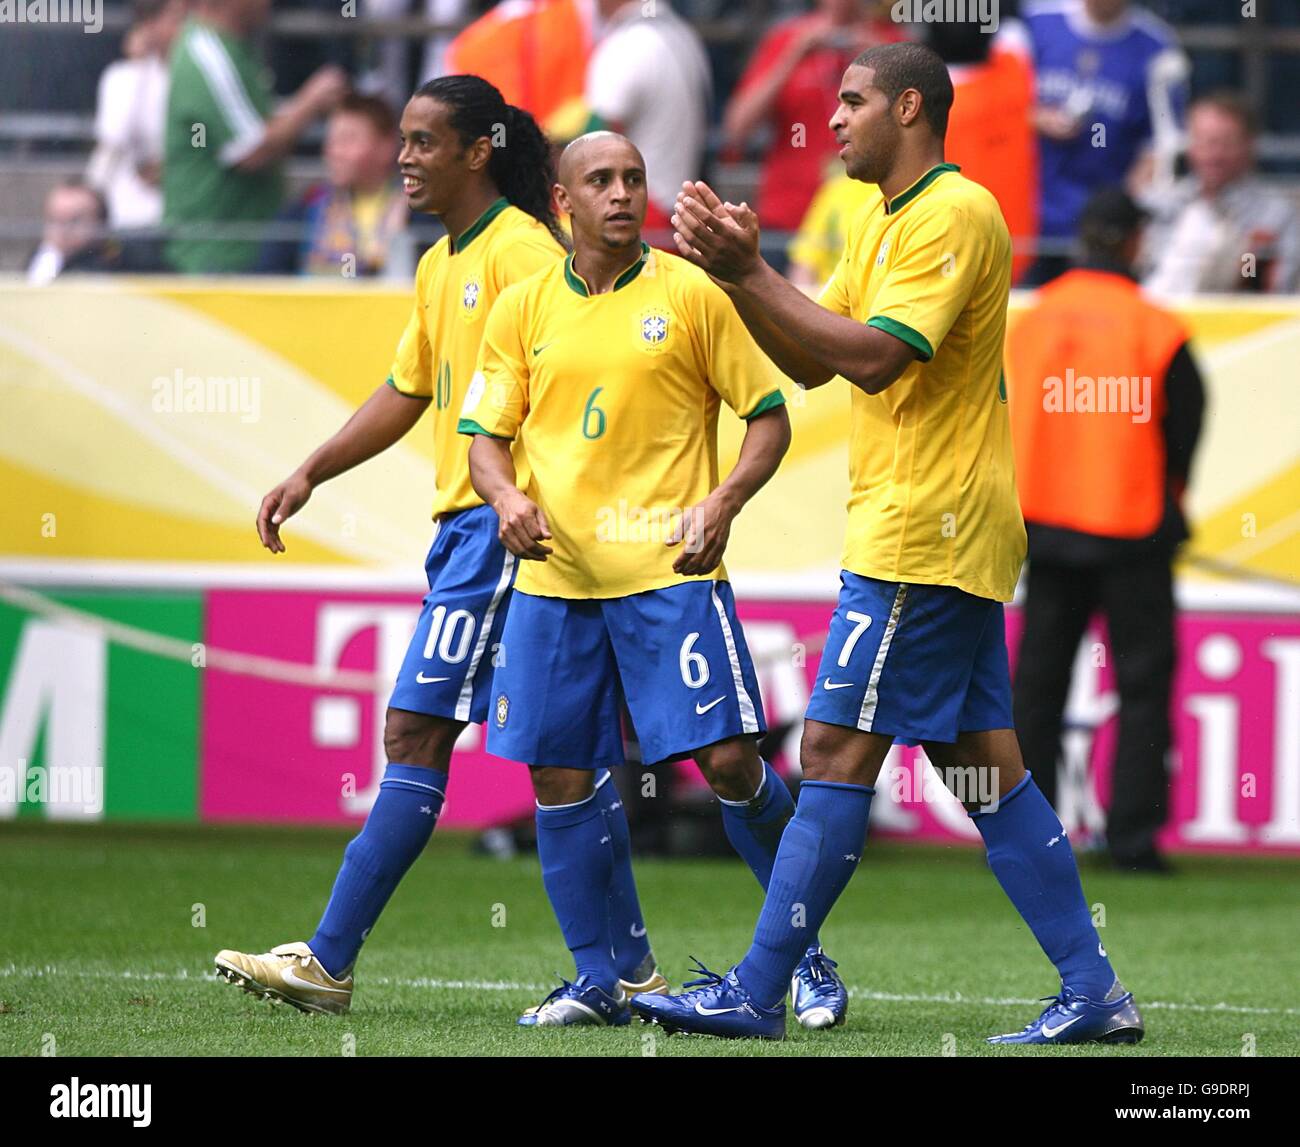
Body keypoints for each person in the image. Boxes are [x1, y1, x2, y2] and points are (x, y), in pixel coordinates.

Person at [635, 41, 1143, 1045]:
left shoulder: (956, 213)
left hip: (925, 533)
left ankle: (758, 987)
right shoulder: (880, 219)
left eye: (852, 101)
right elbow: (813, 359)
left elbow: (871, 360)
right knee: (983, 772)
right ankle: (1094, 991)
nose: (830, 120)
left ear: (909, 106)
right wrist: (739, 276)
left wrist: (750, 269)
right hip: (928, 531)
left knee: (829, 748)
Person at [213, 76, 622, 1017]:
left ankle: (328, 959)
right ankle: (620, 972)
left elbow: (570, 386)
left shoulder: (526, 252)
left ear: (479, 150)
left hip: (503, 531)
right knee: (562, 754)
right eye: (400, 140)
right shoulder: (445, 263)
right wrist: (312, 469)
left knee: (418, 733)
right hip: (467, 532)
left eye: (423, 141)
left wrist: (526, 503)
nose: (403, 158)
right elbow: (407, 390)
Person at [460, 132, 848, 1031]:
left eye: (633, 178)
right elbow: (483, 438)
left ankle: (806, 954)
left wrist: (723, 502)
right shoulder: (522, 307)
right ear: (563, 203)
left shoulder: (692, 294)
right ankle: (601, 979)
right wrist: (507, 493)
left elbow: (768, 419)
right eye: (600, 181)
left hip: (670, 579)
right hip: (556, 581)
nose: (622, 194)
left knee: (729, 762)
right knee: (559, 777)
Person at [1009, 187, 1206, 873]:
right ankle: (1131, 837)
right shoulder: (1156, 328)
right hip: (1133, 531)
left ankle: (1025, 836)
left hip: (1049, 529)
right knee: (1144, 686)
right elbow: (1184, 429)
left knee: (1037, 682)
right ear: (1131, 242)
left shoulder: (1033, 320)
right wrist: (1169, 498)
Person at [162, 0, 348, 274]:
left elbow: (255, 126)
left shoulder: (233, 46)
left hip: (242, 252)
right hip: (216, 258)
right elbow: (251, 150)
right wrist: (311, 101)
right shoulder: (207, 51)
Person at [1022, 0, 1187, 285]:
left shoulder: (1156, 46)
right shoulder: (1035, 24)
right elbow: (996, 100)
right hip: (1028, 216)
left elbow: (1160, 142)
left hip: (1100, 231)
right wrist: (1036, 117)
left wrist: (1123, 208)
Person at [723, 0, 902, 254]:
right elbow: (737, 128)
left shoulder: (889, 42)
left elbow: (913, 126)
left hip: (865, 220)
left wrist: (881, 62)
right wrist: (792, 56)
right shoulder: (786, 39)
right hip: (788, 216)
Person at [1141, 92, 1300, 296]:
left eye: (1225, 143)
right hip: (1152, 316)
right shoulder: (1157, 204)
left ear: (1248, 146)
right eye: (1204, 142)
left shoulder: (1275, 216)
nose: (1213, 155)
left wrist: (1245, 269)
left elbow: (1276, 292)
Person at [582, 1, 712, 241]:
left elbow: (592, 149)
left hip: (633, 221)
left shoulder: (627, 44)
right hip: (674, 219)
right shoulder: (683, 35)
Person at [255, 93, 422, 278]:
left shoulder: (418, 210)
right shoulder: (308, 207)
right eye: (331, 141)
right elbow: (267, 276)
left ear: (386, 146)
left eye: (347, 140)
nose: (333, 151)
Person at [86, 0, 188, 231]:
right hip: (126, 201)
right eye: (173, 19)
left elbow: (199, 134)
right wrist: (139, 69)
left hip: (178, 200)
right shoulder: (121, 77)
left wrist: (174, 166)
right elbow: (115, 133)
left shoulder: (193, 77)